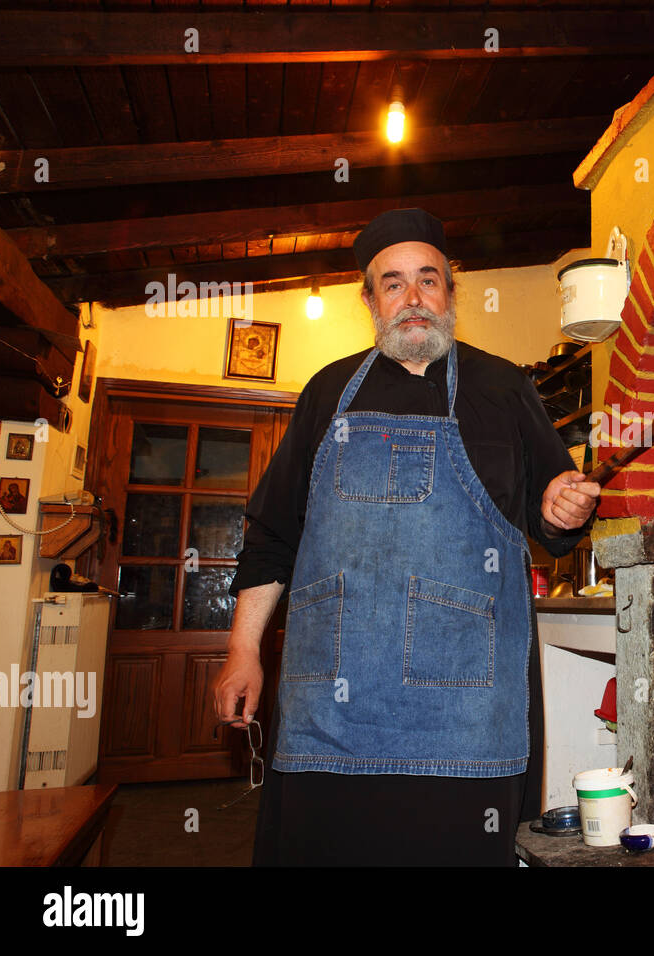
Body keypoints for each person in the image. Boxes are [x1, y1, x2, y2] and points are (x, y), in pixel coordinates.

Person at [212, 208, 600, 865]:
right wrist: (243, 649)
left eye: (428, 279)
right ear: (369, 300)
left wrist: (566, 510)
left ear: (452, 289)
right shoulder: (327, 393)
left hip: (466, 718)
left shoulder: (505, 389)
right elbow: (273, 534)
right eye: (393, 283)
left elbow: (554, 513)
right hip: (331, 710)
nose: (413, 298)